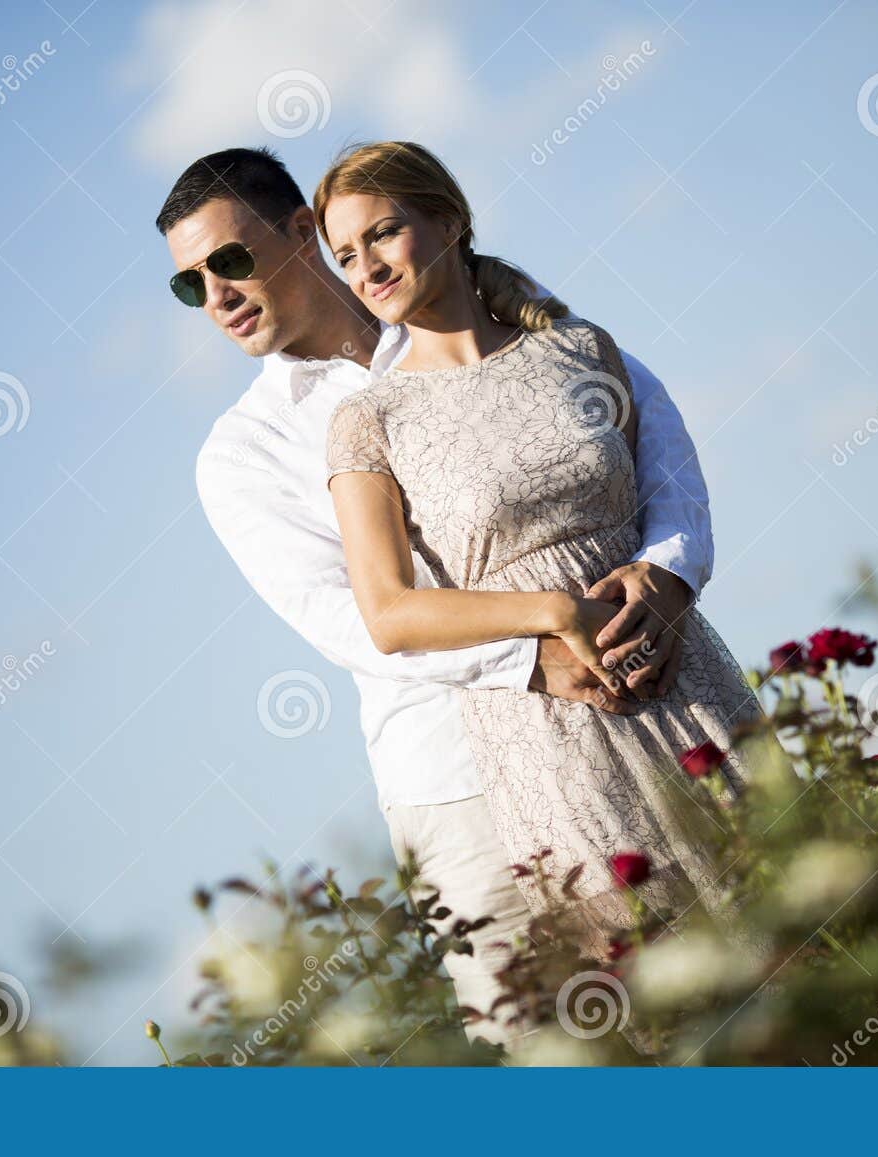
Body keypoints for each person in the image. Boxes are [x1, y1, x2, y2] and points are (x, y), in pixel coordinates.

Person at [158, 147, 715, 1044]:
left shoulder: (491, 324)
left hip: (634, 708)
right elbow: (345, 618)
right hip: (454, 785)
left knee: (733, 992)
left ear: (303, 231)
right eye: (190, 285)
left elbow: (656, 445)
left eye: (228, 261)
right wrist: (530, 653)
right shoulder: (242, 452)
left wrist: (671, 570)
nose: (217, 297)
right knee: (554, 1057)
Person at [316, 141, 773, 963]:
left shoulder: (581, 348)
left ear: (449, 219)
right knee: (664, 990)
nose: (366, 266)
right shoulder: (368, 420)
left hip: (682, 677)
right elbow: (388, 612)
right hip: (551, 731)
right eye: (345, 255)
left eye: (382, 233)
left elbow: (668, 495)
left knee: (808, 926)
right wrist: (556, 613)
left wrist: (664, 586)